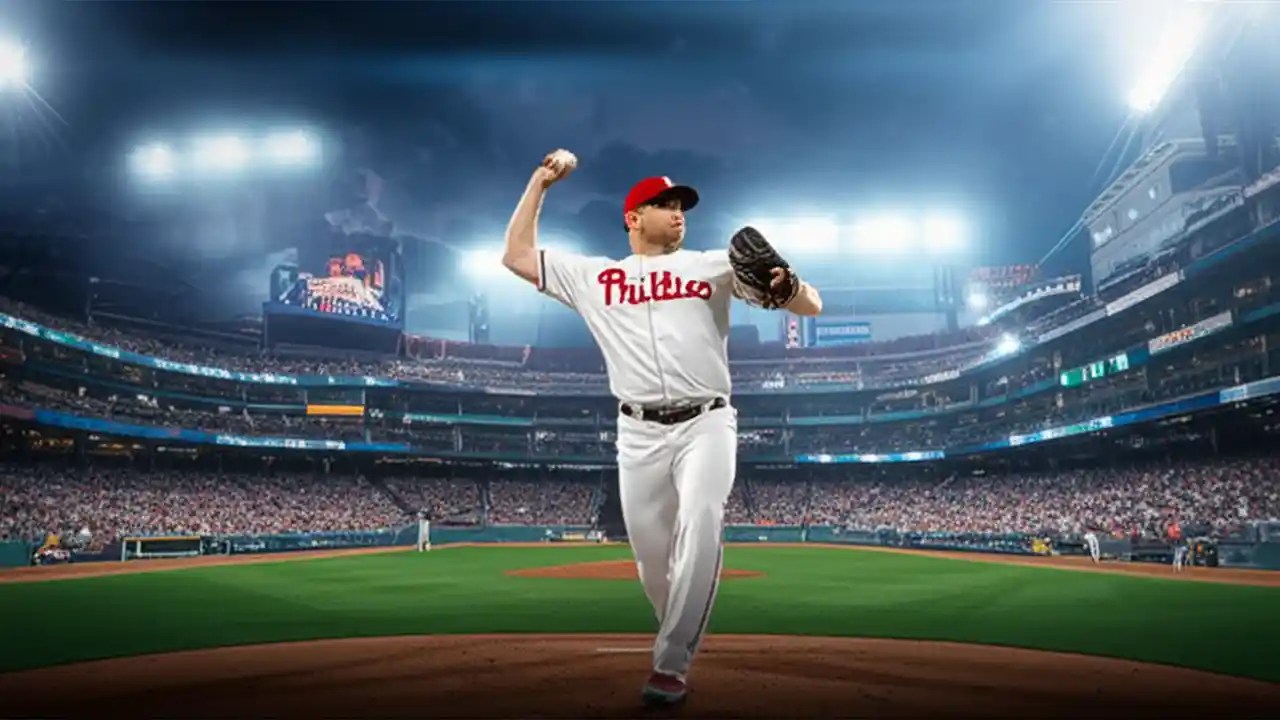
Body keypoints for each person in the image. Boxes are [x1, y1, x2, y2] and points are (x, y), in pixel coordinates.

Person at [501, 149, 822, 706]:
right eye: (664, 204)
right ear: (633, 218)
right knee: (652, 559)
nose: (678, 213)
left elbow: (811, 305)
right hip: (637, 433)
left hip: (707, 422)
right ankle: (676, 632)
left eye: (682, 206)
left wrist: (786, 283)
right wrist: (540, 183)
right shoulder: (596, 277)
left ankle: (670, 665)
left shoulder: (712, 266)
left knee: (702, 517)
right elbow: (516, 255)